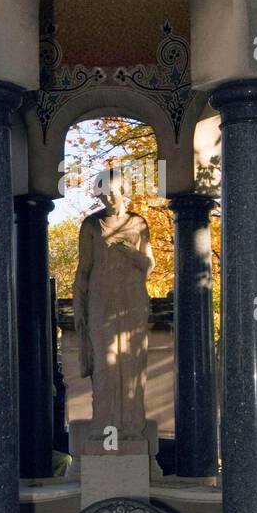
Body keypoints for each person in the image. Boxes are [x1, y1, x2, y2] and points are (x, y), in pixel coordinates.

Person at [73, 170, 154, 442]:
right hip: (101, 300)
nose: (108, 196)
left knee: (131, 364)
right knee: (105, 363)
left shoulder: (138, 223)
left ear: (123, 190)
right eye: (102, 192)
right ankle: (104, 425)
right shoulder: (91, 226)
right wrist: (79, 306)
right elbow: (84, 269)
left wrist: (131, 254)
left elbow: (148, 265)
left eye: (113, 190)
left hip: (132, 301)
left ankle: (132, 427)